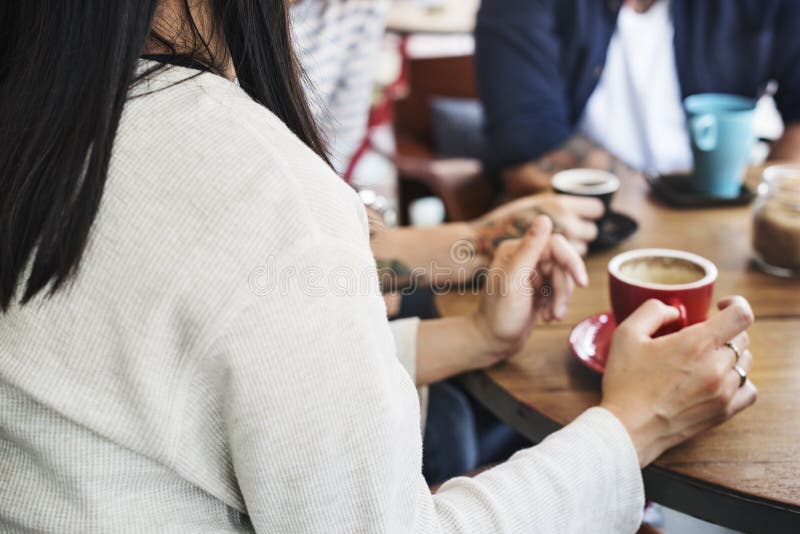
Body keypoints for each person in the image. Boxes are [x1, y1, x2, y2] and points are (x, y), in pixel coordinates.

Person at [0, 1, 757, 532]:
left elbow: (228, 358)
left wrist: (474, 334)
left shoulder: (43, 123)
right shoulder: (258, 186)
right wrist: (635, 426)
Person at [290, 0, 605, 484]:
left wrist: (485, 245)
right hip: (299, 301)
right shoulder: (214, 39)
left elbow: (323, 187)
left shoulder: (358, 10)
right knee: (453, 420)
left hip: (329, 277)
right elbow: (294, 249)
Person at [476, 0, 800, 196]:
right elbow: (526, 155)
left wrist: (773, 206)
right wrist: (667, 203)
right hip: (580, 225)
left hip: (723, 218)